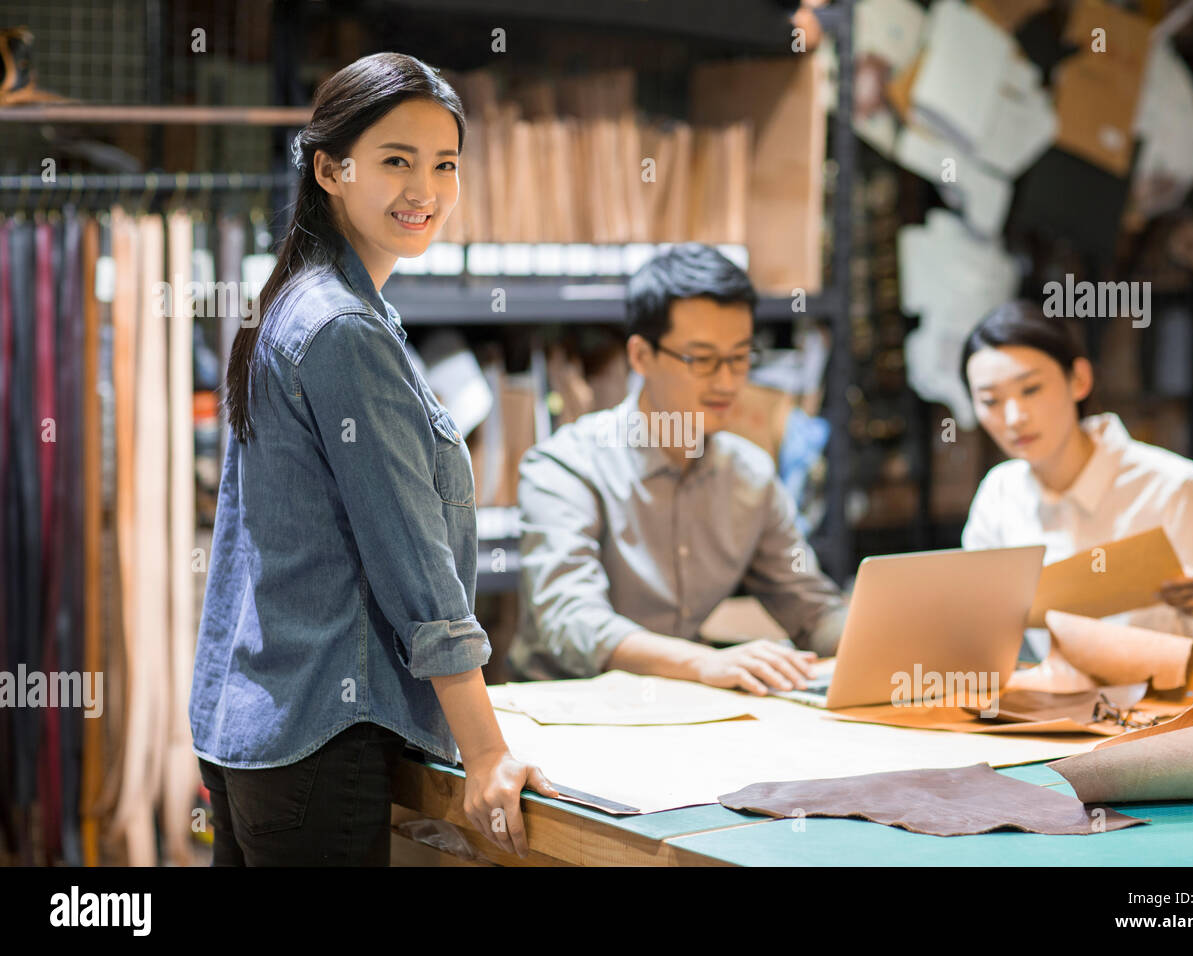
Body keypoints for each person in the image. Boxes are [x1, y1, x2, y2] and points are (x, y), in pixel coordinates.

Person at [190, 52, 555, 866]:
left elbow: (247, 549)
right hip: (324, 739)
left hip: (262, 729)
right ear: (330, 169)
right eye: (396, 161)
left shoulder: (299, 302)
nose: (424, 190)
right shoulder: (341, 329)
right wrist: (487, 752)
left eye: (444, 164)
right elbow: (413, 563)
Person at [508, 243, 847, 693]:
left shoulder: (749, 476)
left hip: (686, 708)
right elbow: (572, 622)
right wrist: (703, 663)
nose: (727, 382)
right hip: (567, 711)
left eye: (740, 357)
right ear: (640, 356)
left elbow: (812, 611)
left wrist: (892, 645)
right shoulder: (566, 466)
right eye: (702, 359)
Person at [960, 300, 1193, 684]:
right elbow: (977, 637)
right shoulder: (999, 493)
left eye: (1031, 389)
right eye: (990, 401)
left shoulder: (1171, 487)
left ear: (1079, 380)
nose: (1014, 417)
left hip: (1184, 717)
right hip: (1075, 714)